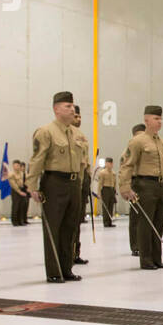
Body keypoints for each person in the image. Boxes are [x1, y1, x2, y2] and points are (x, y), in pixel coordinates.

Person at [28, 91, 85, 283]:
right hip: (54, 183)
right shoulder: (46, 132)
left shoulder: (77, 134)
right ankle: (54, 271)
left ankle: (66, 268)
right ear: (56, 109)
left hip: (73, 183)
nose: (72, 109)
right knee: (54, 228)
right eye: (67, 106)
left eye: (72, 106)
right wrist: (32, 186)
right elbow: (37, 160)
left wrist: (80, 183)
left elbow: (81, 163)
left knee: (70, 227)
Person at [119, 106, 163, 270]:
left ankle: (157, 258)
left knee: (159, 223)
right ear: (147, 120)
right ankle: (146, 259)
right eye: (156, 118)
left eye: (161, 118)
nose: (159, 121)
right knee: (145, 224)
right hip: (145, 185)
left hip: (161, 185)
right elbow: (127, 165)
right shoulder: (138, 141)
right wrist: (125, 187)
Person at [71, 105, 91, 266]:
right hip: (68, 180)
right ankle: (65, 254)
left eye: (79, 117)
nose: (78, 119)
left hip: (81, 180)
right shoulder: (63, 134)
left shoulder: (83, 137)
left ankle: (75, 252)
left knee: (77, 220)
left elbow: (86, 162)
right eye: (75, 116)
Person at [126, 123, 145, 256]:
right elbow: (125, 166)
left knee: (145, 216)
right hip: (135, 182)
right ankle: (135, 246)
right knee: (135, 217)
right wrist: (126, 187)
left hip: (147, 183)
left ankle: (144, 246)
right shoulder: (132, 145)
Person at [97, 158, 117, 228]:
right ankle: (105, 222)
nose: (110, 165)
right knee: (105, 207)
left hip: (111, 190)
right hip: (105, 190)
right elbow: (100, 184)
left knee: (111, 206)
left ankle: (110, 222)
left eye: (111, 163)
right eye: (108, 163)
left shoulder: (113, 173)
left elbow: (115, 183)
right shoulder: (102, 172)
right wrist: (99, 193)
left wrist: (115, 190)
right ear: (106, 163)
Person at [9, 160, 30, 225]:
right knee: (16, 206)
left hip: (22, 190)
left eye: (17, 165)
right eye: (15, 165)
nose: (16, 167)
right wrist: (19, 192)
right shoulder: (11, 174)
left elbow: (26, 181)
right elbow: (13, 185)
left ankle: (21, 221)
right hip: (15, 191)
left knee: (22, 206)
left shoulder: (22, 174)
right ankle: (14, 221)